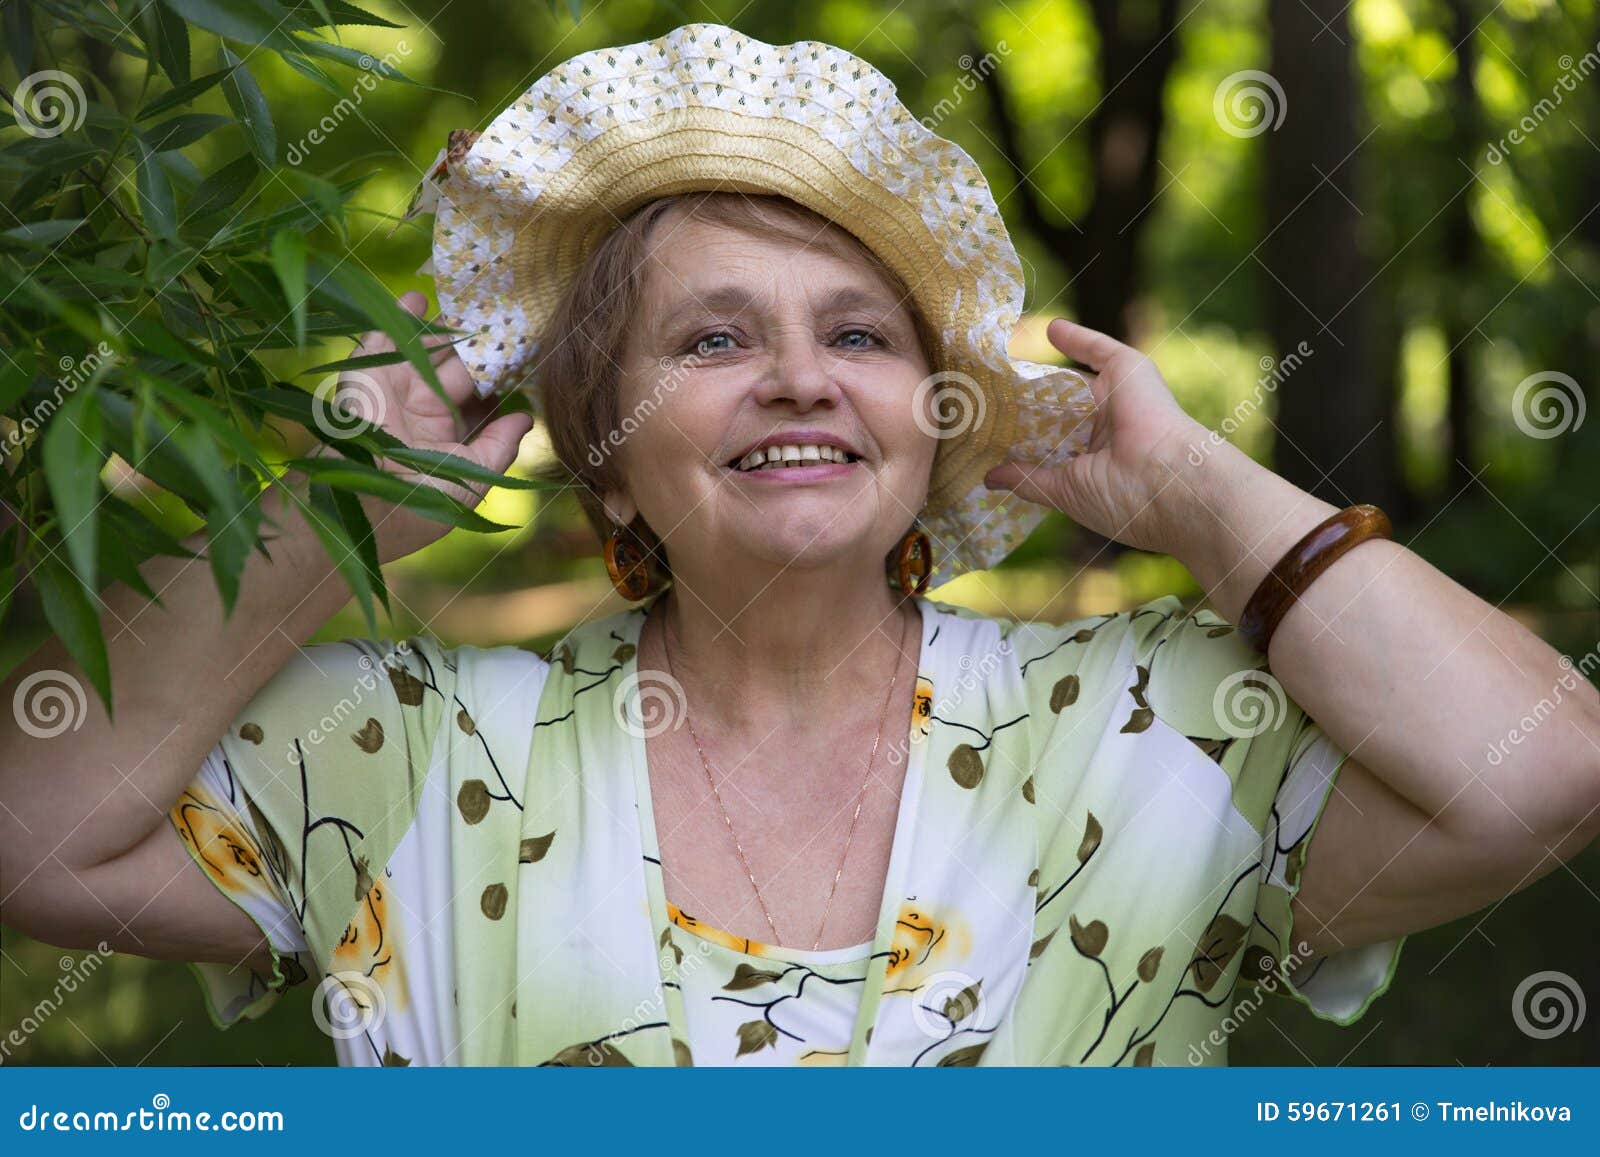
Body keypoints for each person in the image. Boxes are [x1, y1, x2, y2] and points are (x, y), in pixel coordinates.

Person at [2, 23, 1595, 1068]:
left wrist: (1197, 492)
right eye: (710, 340)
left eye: (858, 332)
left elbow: (1537, 770)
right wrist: (332, 504)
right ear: (606, 465)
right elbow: (34, 837)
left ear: (932, 418)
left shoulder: (1149, 729)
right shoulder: (404, 749)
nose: (801, 375)